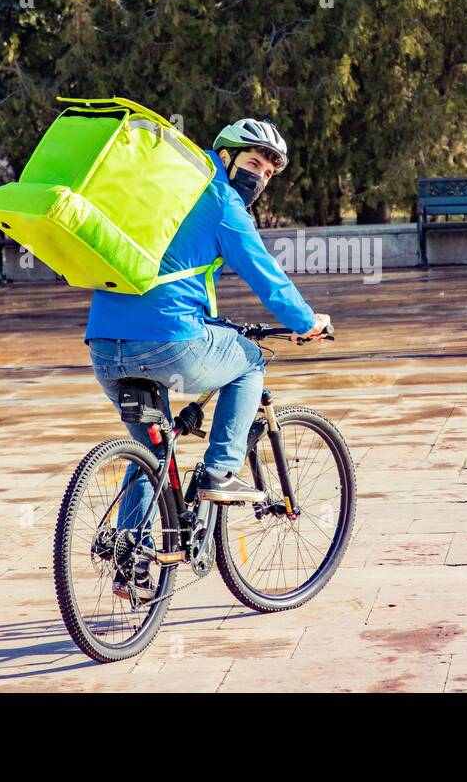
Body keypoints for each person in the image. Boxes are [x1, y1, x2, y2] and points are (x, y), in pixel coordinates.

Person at [84, 118, 331, 599]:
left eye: (268, 171)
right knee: (250, 361)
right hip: (167, 341)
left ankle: (132, 561)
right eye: (252, 163)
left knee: (153, 453)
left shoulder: (160, 192)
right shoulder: (221, 201)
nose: (259, 176)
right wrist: (307, 322)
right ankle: (221, 471)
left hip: (104, 347)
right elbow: (266, 275)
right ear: (223, 158)